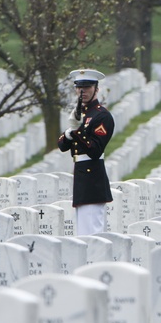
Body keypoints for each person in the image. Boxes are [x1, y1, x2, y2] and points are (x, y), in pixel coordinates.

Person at [57, 68, 113, 236]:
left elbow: (95, 150)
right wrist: (69, 132)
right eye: (79, 87)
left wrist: (77, 130)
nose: (83, 91)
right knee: (82, 232)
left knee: (93, 232)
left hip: (93, 178)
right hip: (81, 177)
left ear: (96, 88)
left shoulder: (102, 116)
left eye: (87, 87)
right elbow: (62, 145)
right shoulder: (80, 114)